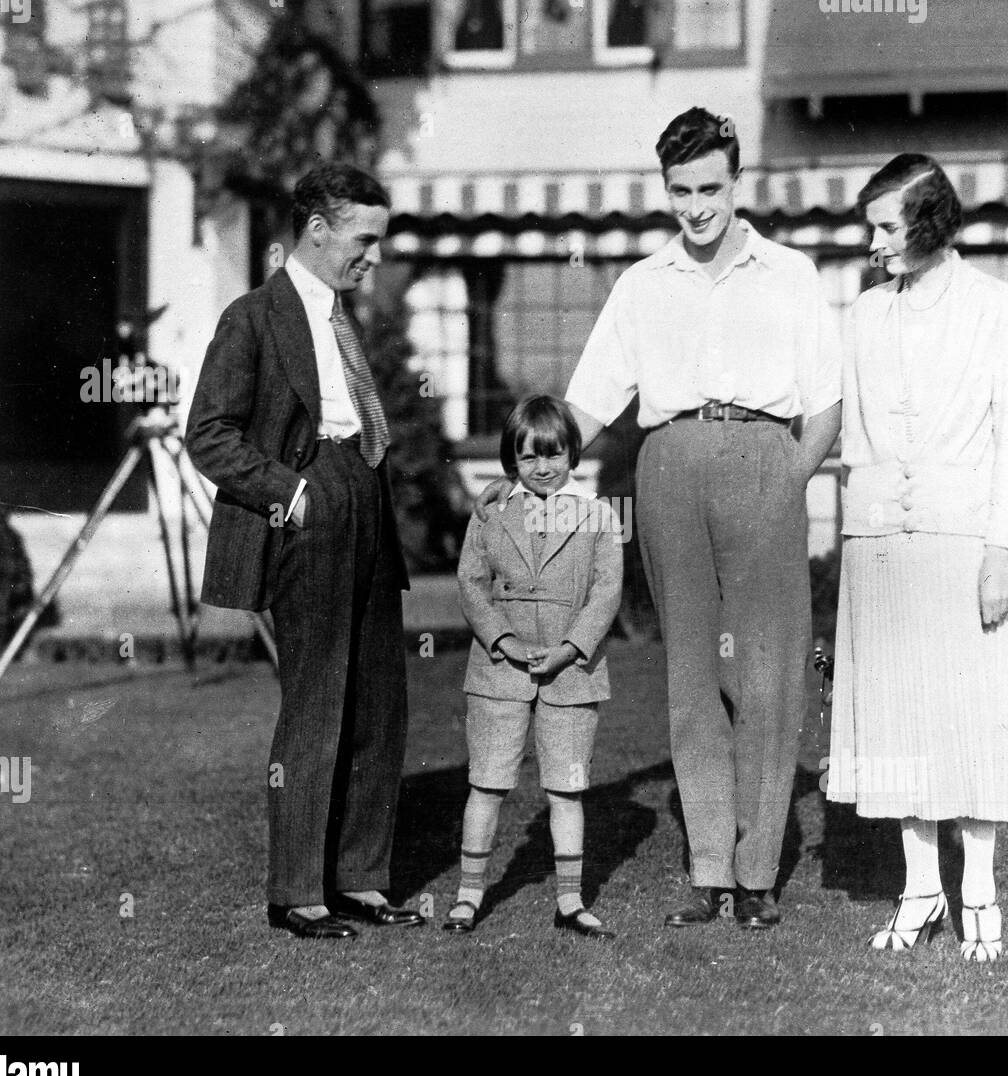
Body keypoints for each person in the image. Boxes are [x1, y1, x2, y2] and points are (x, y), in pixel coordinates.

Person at [477, 108, 842, 929]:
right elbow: (590, 403)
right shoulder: (643, 284)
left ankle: (758, 875)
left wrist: (786, 478)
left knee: (768, 676)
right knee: (691, 676)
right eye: (680, 191)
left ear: (737, 181)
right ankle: (710, 870)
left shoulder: (791, 272)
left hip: (763, 462)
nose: (696, 207)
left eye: (710, 188)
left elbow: (826, 406)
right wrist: (526, 473)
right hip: (669, 467)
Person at [186, 163, 424, 939]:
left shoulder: (342, 318)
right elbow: (209, 433)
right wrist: (289, 493)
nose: (375, 258)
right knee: (318, 698)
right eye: (365, 240)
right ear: (316, 230)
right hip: (306, 502)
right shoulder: (251, 317)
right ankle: (297, 892)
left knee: (380, 699)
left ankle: (361, 878)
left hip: (363, 495)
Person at [825, 154, 1008, 962]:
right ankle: (920, 888)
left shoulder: (995, 306)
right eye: (870, 227)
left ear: (932, 220)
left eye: (887, 226)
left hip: (960, 534)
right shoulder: (864, 313)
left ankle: (976, 882)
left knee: (969, 710)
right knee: (898, 715)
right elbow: (856, 433)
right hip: (879, 539)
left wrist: (999, 548)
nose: (874, 243)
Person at [449, 396, 623, 940]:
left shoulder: (599, 516)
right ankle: (468, 894)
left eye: (553, 455)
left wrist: (571, 648)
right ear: (511, 462)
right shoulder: (492, 512)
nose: (542, 468)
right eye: (528, 458)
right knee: (487, 783)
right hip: (498, 672)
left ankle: (569, 900)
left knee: (566, 790)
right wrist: (501, 637)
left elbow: (606, 593)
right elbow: (470, 583)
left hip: (572, 675)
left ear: (573, 453)